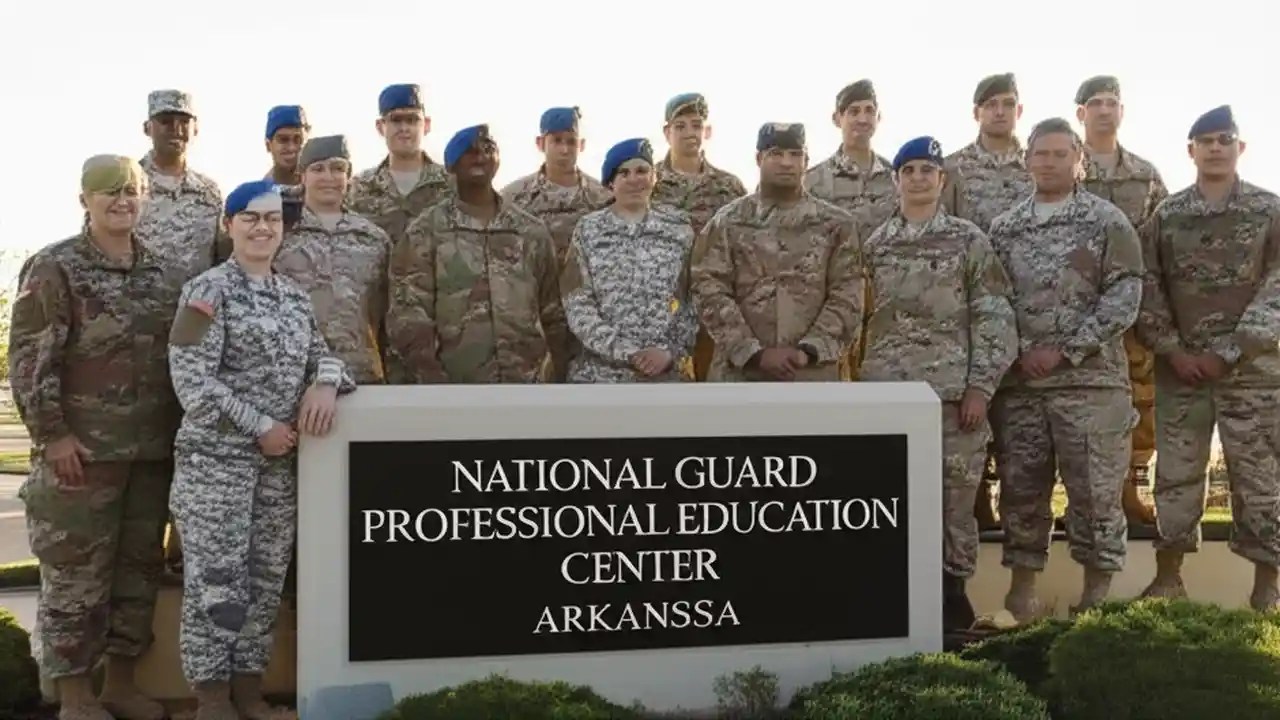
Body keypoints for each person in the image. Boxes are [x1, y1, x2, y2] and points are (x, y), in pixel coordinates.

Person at [167, 180, 355, 720]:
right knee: (217, 584)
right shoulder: (206, 293)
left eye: (272, 219)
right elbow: (192, 381)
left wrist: (324, 383)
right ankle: (212, 700)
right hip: (216, 467)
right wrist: (261, 426)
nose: (262, 227)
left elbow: (326, 356)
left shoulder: (292, 298)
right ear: (229, 225)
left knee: (265, 582)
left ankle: (249, 694)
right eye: (249, 217)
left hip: (275, 473)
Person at [10, 155, 182, 720]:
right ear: (84, 198)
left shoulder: (163, 273)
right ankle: (76, 696)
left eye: (131, 191)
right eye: (108, 192)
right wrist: (52, 435)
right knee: (75, 579)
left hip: (150, 453)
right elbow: (32, 360)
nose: (121, 200)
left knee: (137, 574)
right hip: (80, 456)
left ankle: (121, 685)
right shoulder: (54, 267)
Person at [859, 136, 1018, 631]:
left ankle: (954, 600)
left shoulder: (968, 240)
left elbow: (994, 316)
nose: (920, 178)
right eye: (910, 170)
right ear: (896, 180)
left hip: (952, 399)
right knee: (890, 500)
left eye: (929, 169)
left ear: (942, 180)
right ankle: (895, 599)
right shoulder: (875, 245)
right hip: (887, 397)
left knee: (954, 503)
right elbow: (858, 321)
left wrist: (980, 388)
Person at [986, 117, 1143, 620]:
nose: (1049, 162)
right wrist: (1018, 353)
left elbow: (1126, 295)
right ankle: (1022, 598)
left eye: (1060, 154)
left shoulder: (1106, 221)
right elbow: (991, 301)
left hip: (1090, 385)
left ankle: (1094, 602)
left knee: (1095, 497)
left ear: (1079, 161)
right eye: (1040, 154)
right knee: (1022, 495)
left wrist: (1067, 349)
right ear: (1026, 160)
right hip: (1023, 388)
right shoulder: (1005, 227)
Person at [1136, 105, 1280, 611]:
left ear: (1240, 148)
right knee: (1175, 473)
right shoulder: (1168, 216)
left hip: (1254, 371)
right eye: (1206, 141)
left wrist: (1233, 349)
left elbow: (1278, 286)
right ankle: (1168, 577)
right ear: (1191, 151)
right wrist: (1173, 349)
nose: (1215, 148)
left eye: (1225, 140)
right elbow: (1147, 288)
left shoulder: (1269, 210)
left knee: (1261, 476)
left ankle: (1268, 587)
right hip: (1184, 371)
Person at [386, 124, 570, 383]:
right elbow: (408, 311)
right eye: (470, 152)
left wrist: (557, 373)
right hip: (453, 387)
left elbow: (552, 311)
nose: (481, 157)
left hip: (527, 384)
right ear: (451, 166)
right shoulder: (426, 231)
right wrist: (430, 374)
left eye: (488, 149)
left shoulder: (530, 231)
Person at [691, 122, 863, 382]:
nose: (786, 162)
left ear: (806, 161)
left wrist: (809, 350)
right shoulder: (727, 222)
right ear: (759, 158)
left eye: (795, 155)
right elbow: (708, 289)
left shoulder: (836, 225)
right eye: (776, 154)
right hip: (740, 374)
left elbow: (849, 293)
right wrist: (752, 351)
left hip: (811, 374)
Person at [941, 73, 1037, 531]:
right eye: (990, 104)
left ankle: (1015, 508)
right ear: (976, 112)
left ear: (1019, 110)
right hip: (973, 308)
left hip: (1032, 305)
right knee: (972, 407)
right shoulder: (954, 168)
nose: (999, 111)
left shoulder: (1037, 162)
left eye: (1007, 103)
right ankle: (976, 499)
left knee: (1018, 414)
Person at [559, 138, 698, 382]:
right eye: (624, 173)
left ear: (654, 177)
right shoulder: (589, 230)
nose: (634, 179)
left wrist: (669, 351)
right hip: (600, 377)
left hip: (665, 376)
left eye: (642, 171)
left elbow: (694, 298)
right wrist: (626, 352)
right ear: (611, 183)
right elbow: (577, 302)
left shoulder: (679, 229)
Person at [274, 135, 393, 384]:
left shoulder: (373, 238)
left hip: (361, 376)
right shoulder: (278, 234)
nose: (329, 177)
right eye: (318, 169)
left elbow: (387, 315)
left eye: (338, 168)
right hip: (295, 378)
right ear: (302, 176)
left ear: (348, 176)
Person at [651, 92, 748, 381]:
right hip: (663, 303)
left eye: (696, 125)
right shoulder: (647, 182)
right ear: (667, 132)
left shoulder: (729, 186)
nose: (689, 133)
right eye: (680, 126)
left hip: (716, 304)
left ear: (707, 131)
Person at [500, 106, 611, 267]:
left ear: (581, 145)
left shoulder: (602, 199)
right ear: (540, 143)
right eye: (556, 141)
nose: (565, 150)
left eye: (571, 142)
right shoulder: (514, 198)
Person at [346, 83, 451, 244]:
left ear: (426, 125)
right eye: (396, 120)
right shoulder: (359, 187)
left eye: (412, 120)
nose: (404, 128)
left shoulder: (450, 184)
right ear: (380, 127)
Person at [262, 104, 310, 185]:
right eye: (283, 140)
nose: (292, 148)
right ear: (268, 145)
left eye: (298, 140)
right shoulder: (260, 195)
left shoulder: (323, 188)